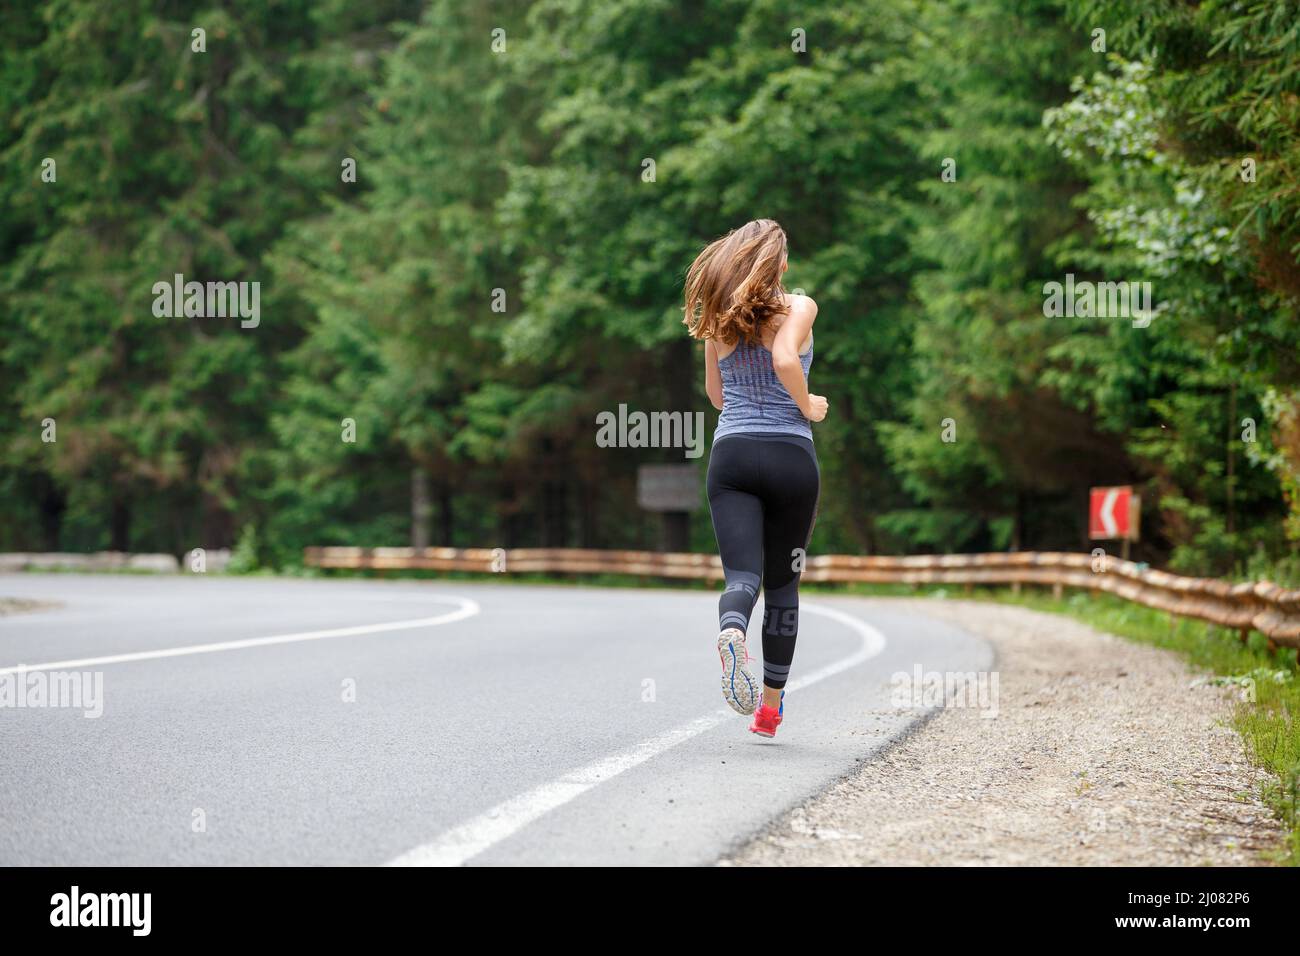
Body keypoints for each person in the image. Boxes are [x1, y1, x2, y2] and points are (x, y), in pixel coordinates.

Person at [681, 219, 827, 738]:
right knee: (783, 588)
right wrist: (807, 404)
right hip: (791, 458)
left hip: (734, 458)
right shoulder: (801, 307)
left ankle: (730, 630)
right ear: (779, 264)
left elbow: (717, 398)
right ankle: (768, 711)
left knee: (743, 577)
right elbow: (785, 356)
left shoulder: (716, 319)